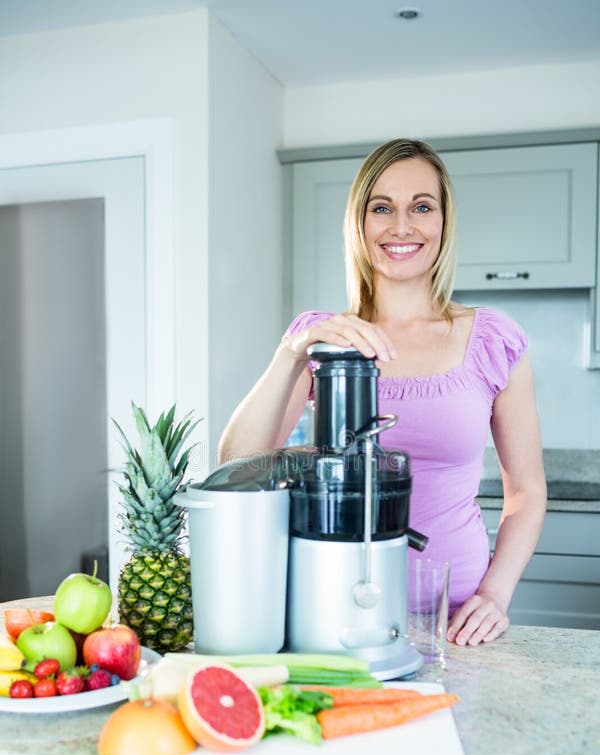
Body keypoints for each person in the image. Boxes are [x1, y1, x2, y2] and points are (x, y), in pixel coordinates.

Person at [218, 138, 547, 646]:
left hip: (456, 618)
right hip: (331, 607)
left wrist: (496, 594)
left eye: (421, 206)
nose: (401, 226)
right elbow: (238, 463)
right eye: (381, 207)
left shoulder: (493, 339)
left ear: (443, 221)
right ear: (360, 224)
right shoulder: (324, 338)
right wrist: (292, 353)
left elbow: (525, 491)